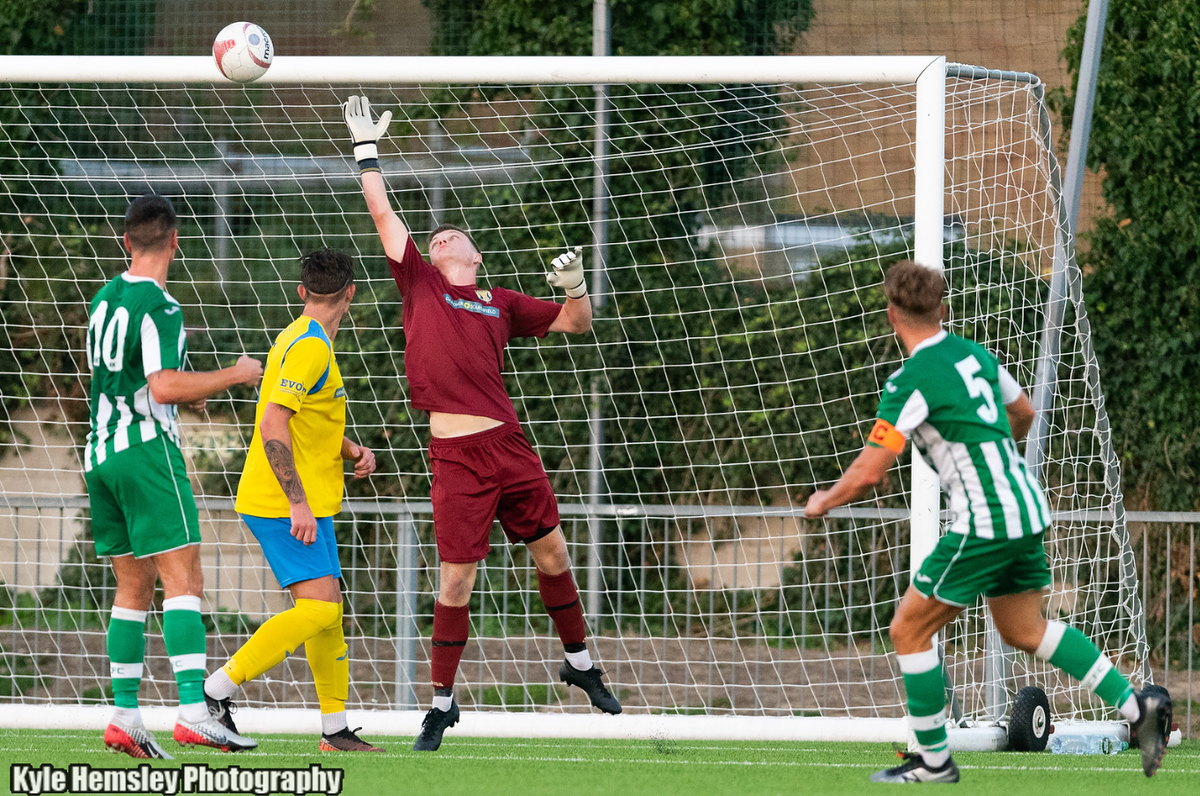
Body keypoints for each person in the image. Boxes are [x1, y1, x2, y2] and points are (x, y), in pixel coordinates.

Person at [804, 259, 1172, 783]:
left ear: (891, 314)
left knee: (907, 629)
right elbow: (1022, 412)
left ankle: (933, 760)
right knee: (1024, 629)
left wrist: (824, 500)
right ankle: (1137, 709)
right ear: (944, 309)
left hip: (986, 518)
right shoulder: (973, 356)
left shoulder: (910, 381)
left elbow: (868, 471)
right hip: (1026, 506)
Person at [341, 95, 621, 752]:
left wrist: (577, 285)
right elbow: (383, 212)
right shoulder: (420, 284)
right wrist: (367, 151)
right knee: (457, 580)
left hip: (508, 445)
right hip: (456, 458)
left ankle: (580, 664)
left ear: (474, 255)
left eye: (452, 235)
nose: (440, 236)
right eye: (434, 237)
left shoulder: (501, 302)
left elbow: (577, 322)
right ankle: (442, 703)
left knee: (553, 554)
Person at [85, 194, 263, 758]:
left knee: (132, 586)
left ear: (125, 242)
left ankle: (125, 716)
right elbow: (160, 386)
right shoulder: (160, 306)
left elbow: (136, 379)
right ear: (177, 242)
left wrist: (190, 392)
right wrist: (232, 375)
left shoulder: (103, 299)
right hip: (145, 453)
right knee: (184, 576)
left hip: (101, 455)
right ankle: (192, 711)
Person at [202, 249, 384, 752]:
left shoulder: (295, 336)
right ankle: (214, 692)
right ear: (351, 293)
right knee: (320, 611)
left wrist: (349, 449)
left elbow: (300, 418)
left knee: (329, 610)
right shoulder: (311, 349)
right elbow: (272, 425)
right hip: (283, 500)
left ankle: (335, 729)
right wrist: (297, 503)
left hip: (306, 497)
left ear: (302, 292)